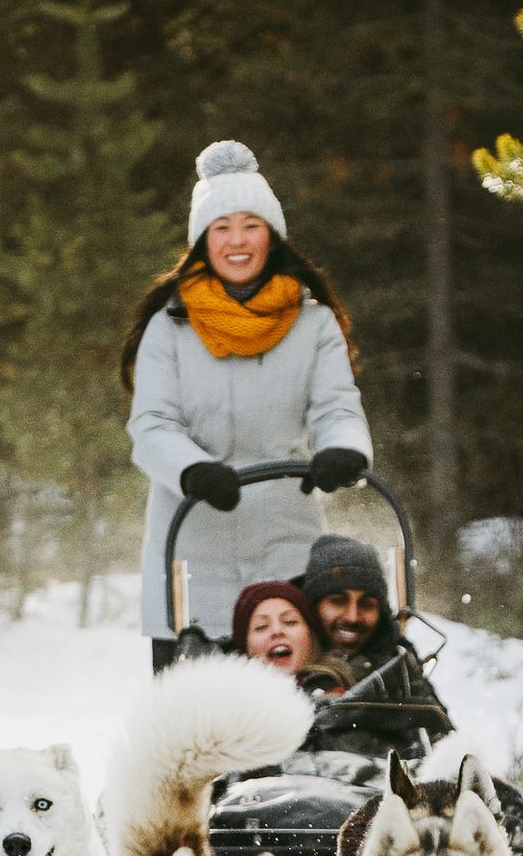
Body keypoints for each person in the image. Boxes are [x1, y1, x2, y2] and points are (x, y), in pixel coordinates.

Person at [122, 140, 372, 671]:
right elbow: (152, 424)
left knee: (298, 713)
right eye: (222, 227)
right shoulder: (169, 326)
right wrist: (191, 470)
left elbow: (336, 408)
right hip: (191, 548)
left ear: (272, 235)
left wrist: (343, 451)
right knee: (196, 729)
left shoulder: (312, 323)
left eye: (251, 225)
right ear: (203, 241)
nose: (238, 241)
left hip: (285, 544)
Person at [296, 534, 454, 753]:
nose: (353, 616)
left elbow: (446, 748)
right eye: (338, 601)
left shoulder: (401, 670)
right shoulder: (285, 658)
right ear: (313, 606)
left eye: (367, 604)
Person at [230, 579, 356, 696]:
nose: (277, 631)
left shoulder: (340, 695)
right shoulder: (227, 701)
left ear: (311, 636)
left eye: (290, 622)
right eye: (261, 626)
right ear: (245, 648)